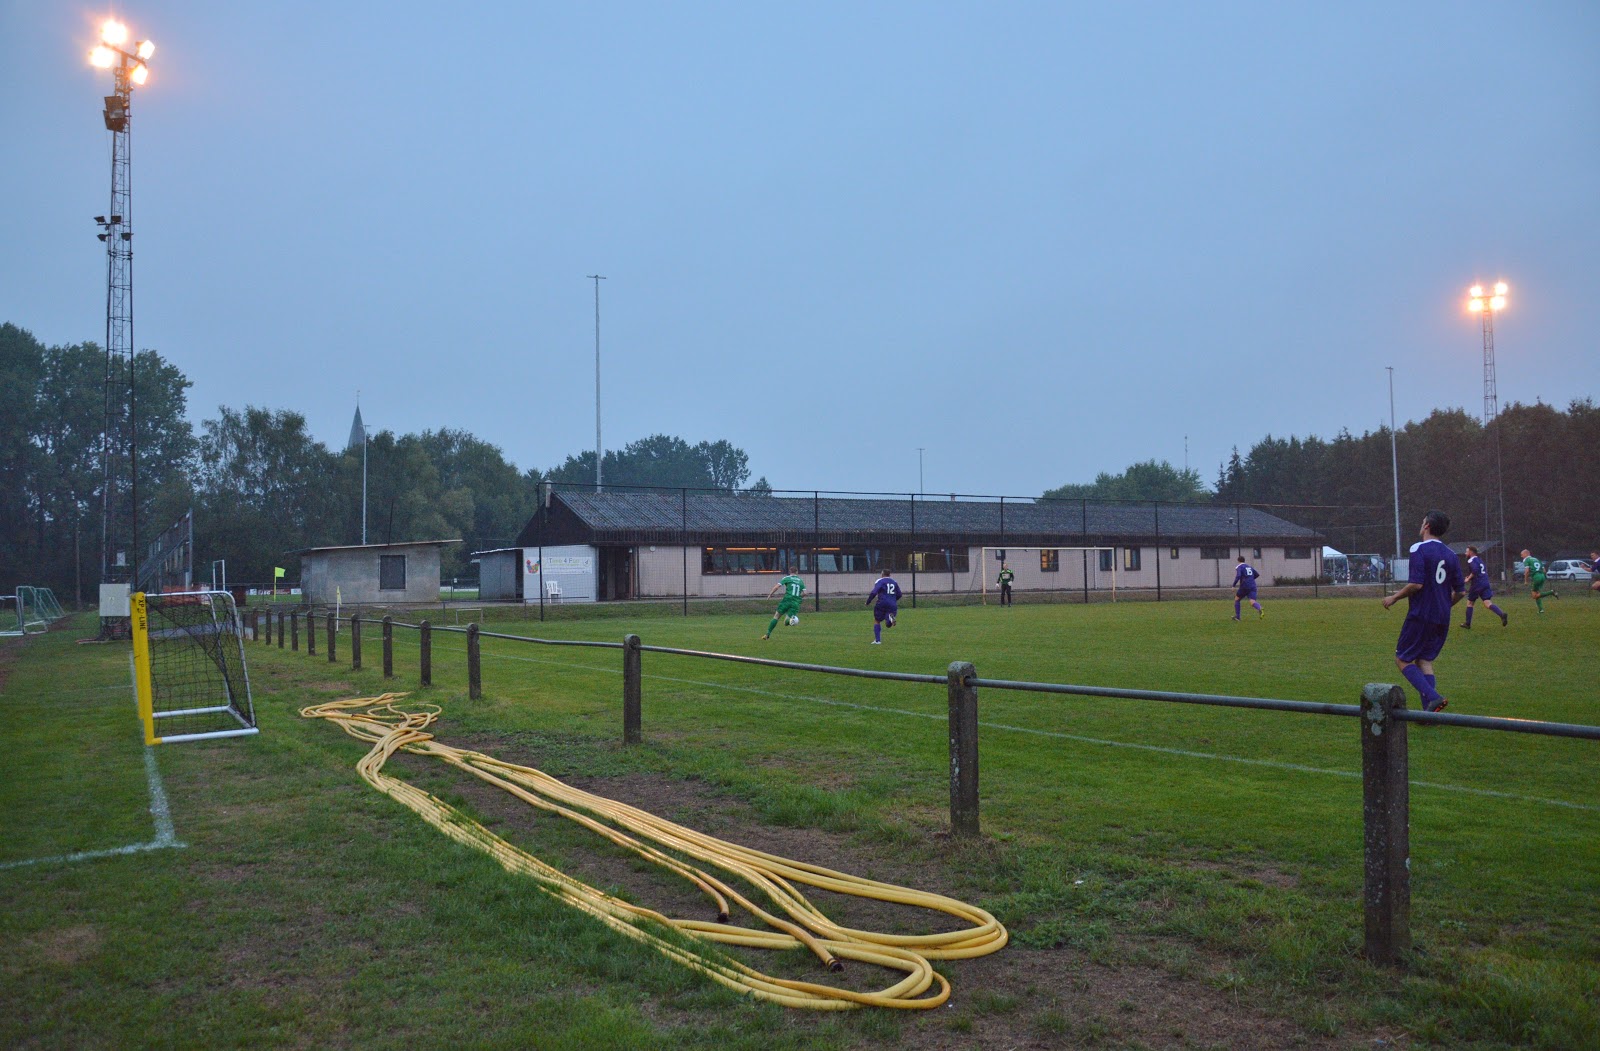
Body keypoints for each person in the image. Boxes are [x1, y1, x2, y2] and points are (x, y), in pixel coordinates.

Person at [1382, 510, 1464, 713]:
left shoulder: (1418, 548)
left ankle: (1434, 698)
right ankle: (1429, 713)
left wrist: (1394, 597)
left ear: (1427, 525)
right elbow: (1461, 592)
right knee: (1424, 660)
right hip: (1442, 617)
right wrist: (1445, 605)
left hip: (1422, 614)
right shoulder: (1451, 555)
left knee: (1402, 659)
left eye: (1422, 522)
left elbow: (1416, 584)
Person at [1460, 545, 1508, 628]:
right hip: (1485, 582)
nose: (1465, 553)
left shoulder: (1471, 560)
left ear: (1471, 552)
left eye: (1467, 551)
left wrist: (1468, 578)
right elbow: (1480, 571)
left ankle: (1467, 624)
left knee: (1470, 603)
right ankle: (1501, 614)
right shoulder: (1480, 560)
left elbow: (1475, 570)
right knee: (1487, 603)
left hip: (1477, 584)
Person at [762, 567, 806, 639]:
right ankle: (791, 620)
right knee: (786, 623)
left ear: (790, 572)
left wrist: (770, 594)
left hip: (786, 600)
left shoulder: (787, 578)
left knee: (776, 616)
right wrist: (798, 597)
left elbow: (777, 587)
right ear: (797, 572)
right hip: (795, 603)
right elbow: (805, 593)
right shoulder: (800, 581)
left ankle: (767, 634)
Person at [865, 568, 903, 644]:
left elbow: (874, 592)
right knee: (888, 624)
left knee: (877, 620)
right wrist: (893, 600)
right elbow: (899, 594)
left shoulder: (880, 581)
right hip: (892, 604)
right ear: (890, 575)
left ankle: (877, 640)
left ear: (882, 574)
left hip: (882, 603)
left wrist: (868, 602)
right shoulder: (894, 582)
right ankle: (890, 618)